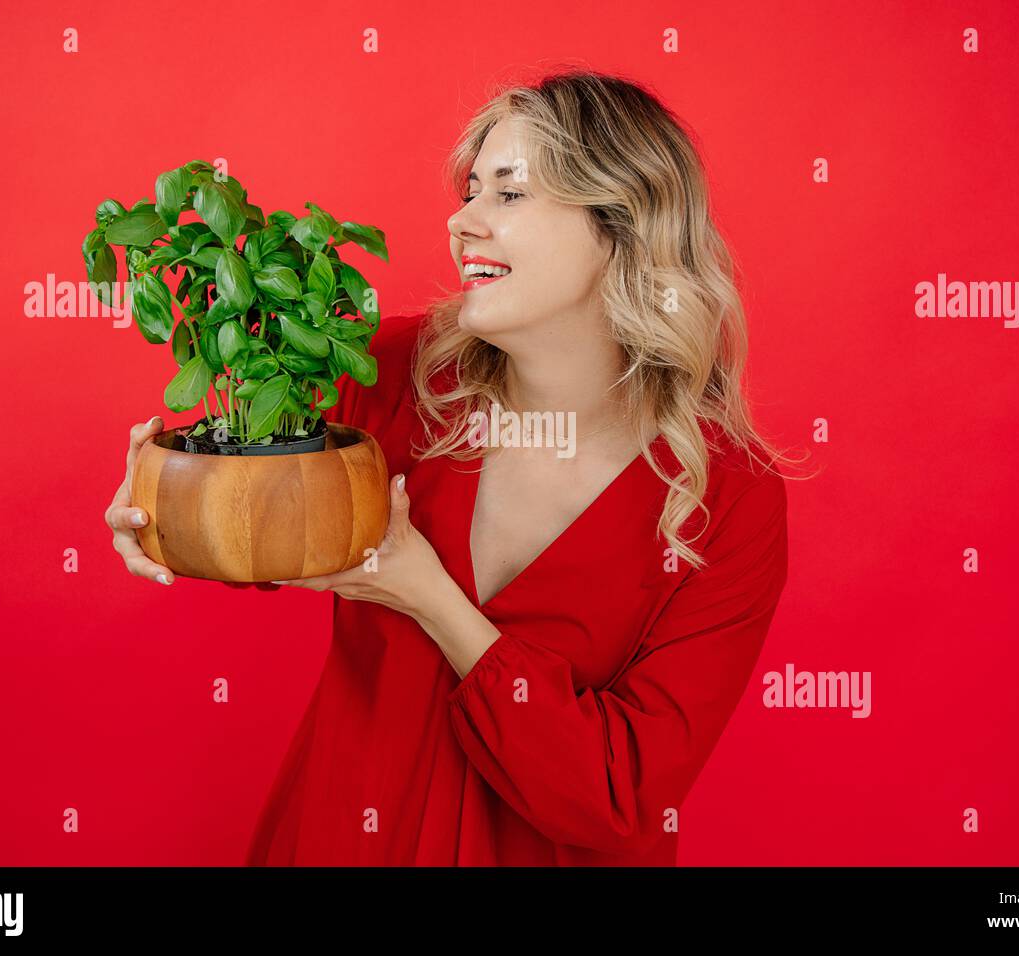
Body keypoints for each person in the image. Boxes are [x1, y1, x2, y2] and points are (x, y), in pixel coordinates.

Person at [104, 69, 798, 865]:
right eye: (470, 191)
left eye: (508, 194)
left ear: (625, 224)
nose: (461, 221)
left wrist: (432, 599)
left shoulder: (725, 499)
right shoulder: (393, 373)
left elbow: (617, 799)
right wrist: (165, 510)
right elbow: (269, 513)